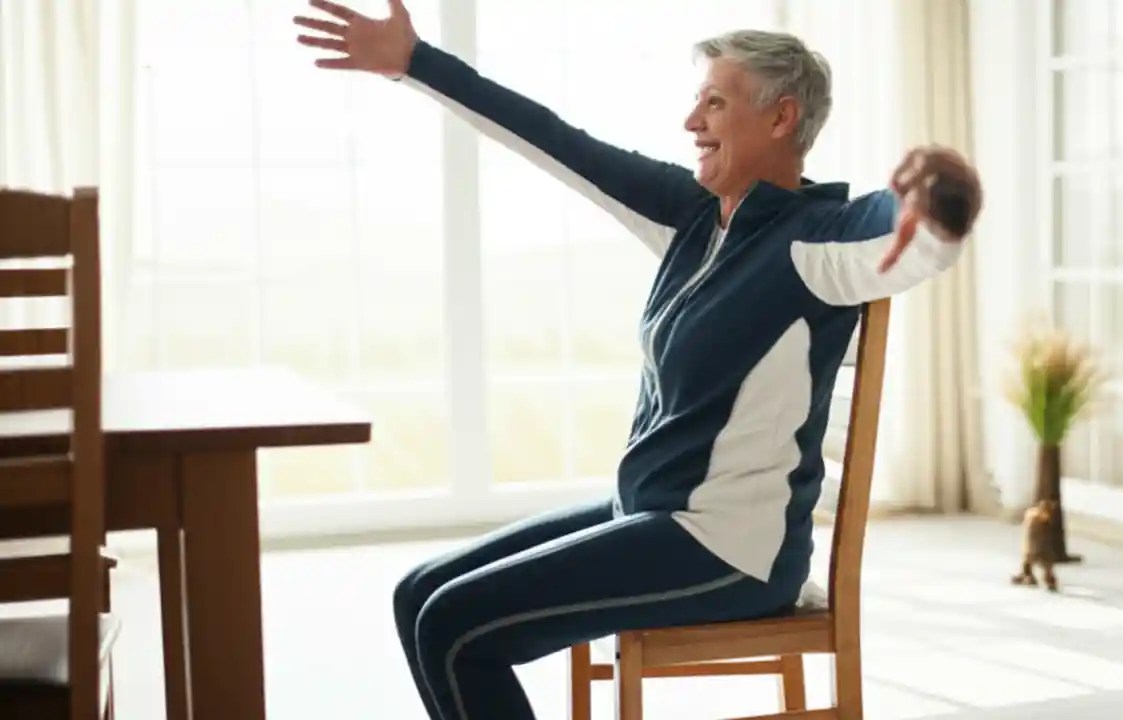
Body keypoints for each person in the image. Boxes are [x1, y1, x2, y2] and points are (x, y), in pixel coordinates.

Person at [295, 1, 982, 718]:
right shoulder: (688, 216)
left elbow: (908, 236)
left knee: (454, 629)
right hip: (650, 513)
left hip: (726, 549)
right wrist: (416, 63)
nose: (693, 123)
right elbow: (557, 140)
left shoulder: (817, 242)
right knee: (418, 594)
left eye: (715, 103)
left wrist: (935, 200)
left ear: (780, 119)